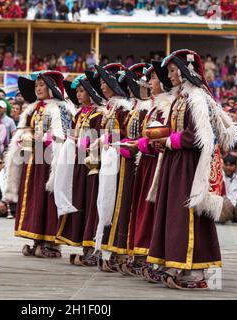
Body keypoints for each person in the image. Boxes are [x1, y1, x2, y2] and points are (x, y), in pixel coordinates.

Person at [146, 49, 237, 290]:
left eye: (173, 70)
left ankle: (194, 270)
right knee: (173, 212)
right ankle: (174, 262)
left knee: (186, 214)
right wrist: (158, 137)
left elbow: (196, 136)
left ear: (185, 70)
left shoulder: (196, 98)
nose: (170, 75)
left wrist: (168, 141)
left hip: (189, 164)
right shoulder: (180, 98)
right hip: (174, 162)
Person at [4, 70, 73, 258]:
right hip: (32, 160)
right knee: (34, 197)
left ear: (52, 88)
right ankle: (36, 238)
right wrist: (24, 137)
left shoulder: (60, 109)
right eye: (37, 85)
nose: (38, 88)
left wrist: (46, 138)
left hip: (49, 161)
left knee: (47, 198)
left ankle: (50, 241)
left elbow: (65, 137)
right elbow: (24, 129)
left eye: (42, 85)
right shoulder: (33, 109)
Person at [124, 61, 175, 279]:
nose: (149, 83)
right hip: (145, 163)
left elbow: (162, 137)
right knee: (142, 209)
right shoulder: (153, 106)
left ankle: (153, 257)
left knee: (152, 212)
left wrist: (141, 145)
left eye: (153, 78)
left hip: (157, 164)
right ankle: (142, 254)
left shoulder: (166, 106)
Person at [84, 63, 132, 272]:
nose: (102, 86)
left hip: (120, 161)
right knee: (105, 202)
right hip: (109, 160)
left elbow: (126, 135)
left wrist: (109, 141)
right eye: (101, 83)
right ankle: (106, 249)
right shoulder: (110, 108)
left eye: (105, 83)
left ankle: (117, 251)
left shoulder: (123, 108)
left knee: (117, 204)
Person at [55, 73, 104, 266]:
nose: (78, 94)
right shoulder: (79, 114)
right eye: (77, 91)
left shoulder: (98, 114)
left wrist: (79, 142)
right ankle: (85, 245)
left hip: (92, 166)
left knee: (91, 204)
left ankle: (93, 247)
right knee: (80, 202)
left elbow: (101, 139)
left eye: (82, 90)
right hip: (78, 165)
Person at [222, 155, 237, 221]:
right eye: (226, 165)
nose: (228, 168)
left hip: (235, 212)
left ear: (235, 166)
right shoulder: (218, 178)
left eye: (231, 165)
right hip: (221, 211)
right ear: (223, 165)